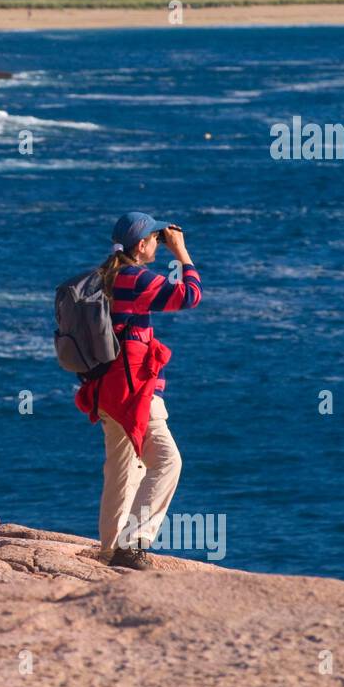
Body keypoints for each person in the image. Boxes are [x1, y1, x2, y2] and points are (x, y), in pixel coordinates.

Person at [74, 212, 202, 570]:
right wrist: (181, 252)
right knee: (167, 461)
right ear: (142, 244)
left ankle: (110, 548)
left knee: (124, 468)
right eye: (154, 240)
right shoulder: (133, 278)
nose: (157, 246)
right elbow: (190, 295)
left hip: (104, 389)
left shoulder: (103, 277)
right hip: (134, 392)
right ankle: (132, 546)